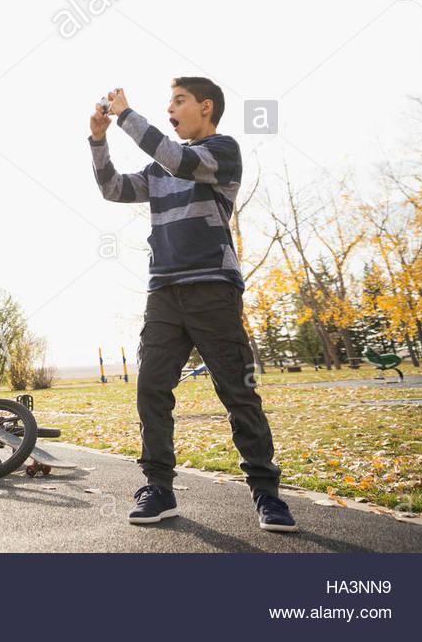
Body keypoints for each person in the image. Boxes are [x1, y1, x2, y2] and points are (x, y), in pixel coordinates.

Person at [88, 78, 297, 532]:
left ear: (206, 107)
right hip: (164, 292)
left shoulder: (221, 152)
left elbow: (179, 159)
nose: (170, 110)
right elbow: (113, 189)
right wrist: (99, 141)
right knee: (151, 388)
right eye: (168, 103)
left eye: (178, 101)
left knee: (237, 393)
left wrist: (125, 115)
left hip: (212, 290)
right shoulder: (161, 170)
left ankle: (267, 494)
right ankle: (159, 488)